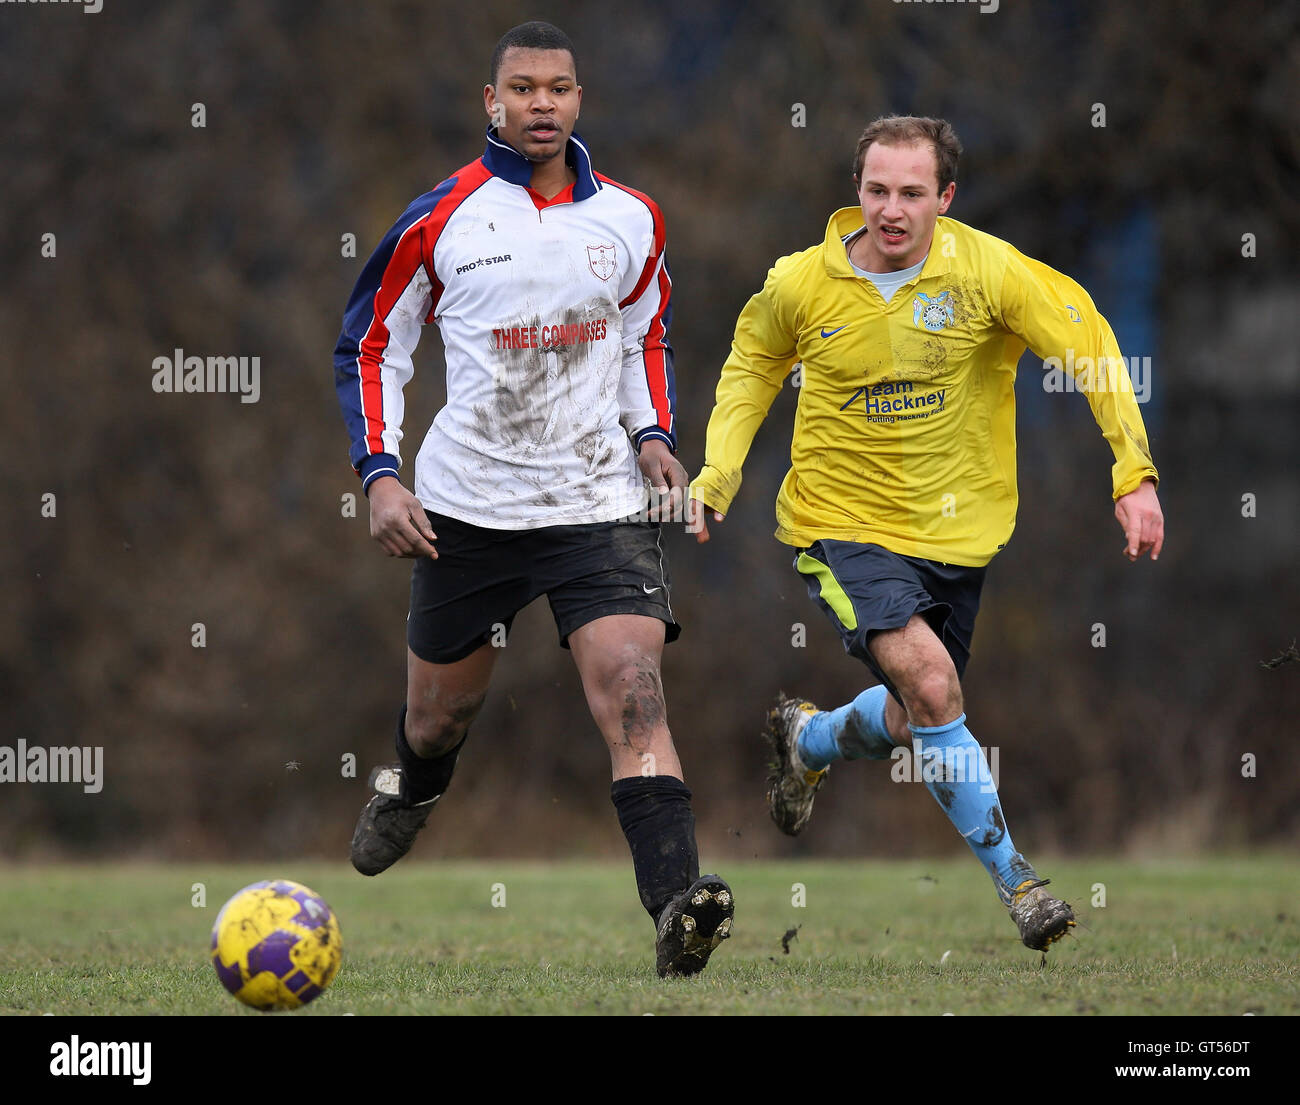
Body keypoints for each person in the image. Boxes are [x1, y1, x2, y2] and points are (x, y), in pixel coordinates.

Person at [688, 115, 1163, 952]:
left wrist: (1134, 472)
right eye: (877, 190)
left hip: (957, 536)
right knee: (937, 690)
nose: (892, 209)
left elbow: (1087, 341)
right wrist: (717, 473)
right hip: (839, 527)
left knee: (921, 717)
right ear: (857, 191)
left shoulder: (987, 270)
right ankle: (1020, 884)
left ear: (945, 196)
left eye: (913, 192)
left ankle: (810, 738)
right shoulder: (802, 284)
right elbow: (752, 365)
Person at [332, 21, 732, 977]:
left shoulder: (633, 218)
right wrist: (380, 475)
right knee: (437, 717)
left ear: (579, 101)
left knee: (633, 696)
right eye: (522, 88)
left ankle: (680, 905)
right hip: (465, 506)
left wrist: (654, 438)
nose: (540, 104)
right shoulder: (441, 216)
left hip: (596, 498)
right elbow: (374, 345)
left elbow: (646, 336)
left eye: (558, 87)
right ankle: (413, 787)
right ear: (492, 102)